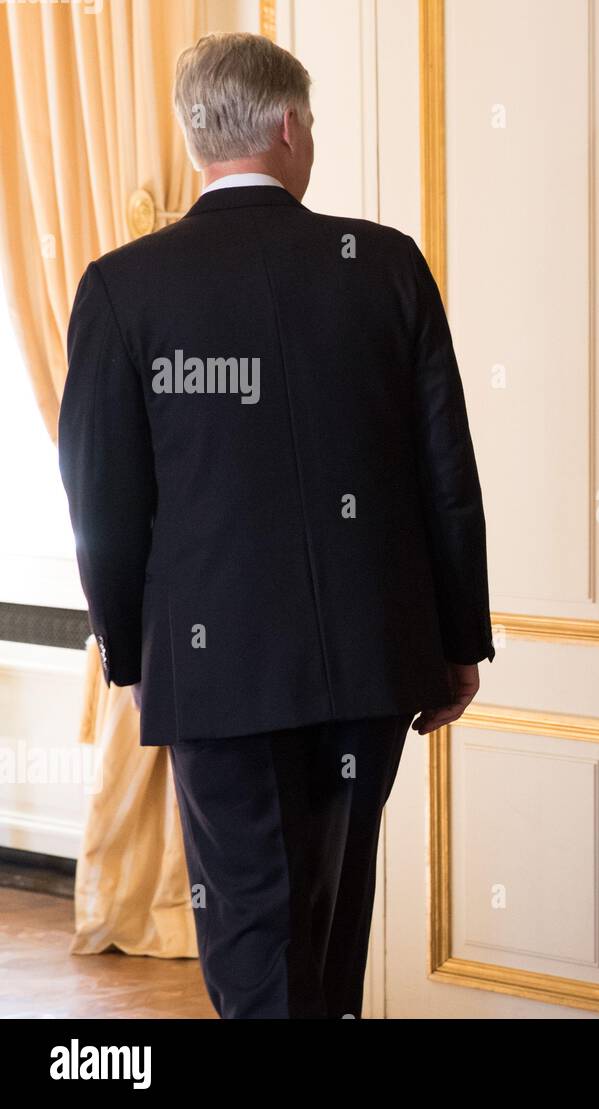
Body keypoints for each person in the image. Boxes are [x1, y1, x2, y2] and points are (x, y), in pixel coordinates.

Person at [58, 31, 493, 1019]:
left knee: (254, 926)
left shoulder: (123, 286)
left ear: (197, 136)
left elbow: (105, 501)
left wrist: (129, 652)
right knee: (333, 918)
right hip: (373, 656)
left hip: (217, 667)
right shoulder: (383, 264)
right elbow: (447, 474)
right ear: (290, 126)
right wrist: (457, 640)